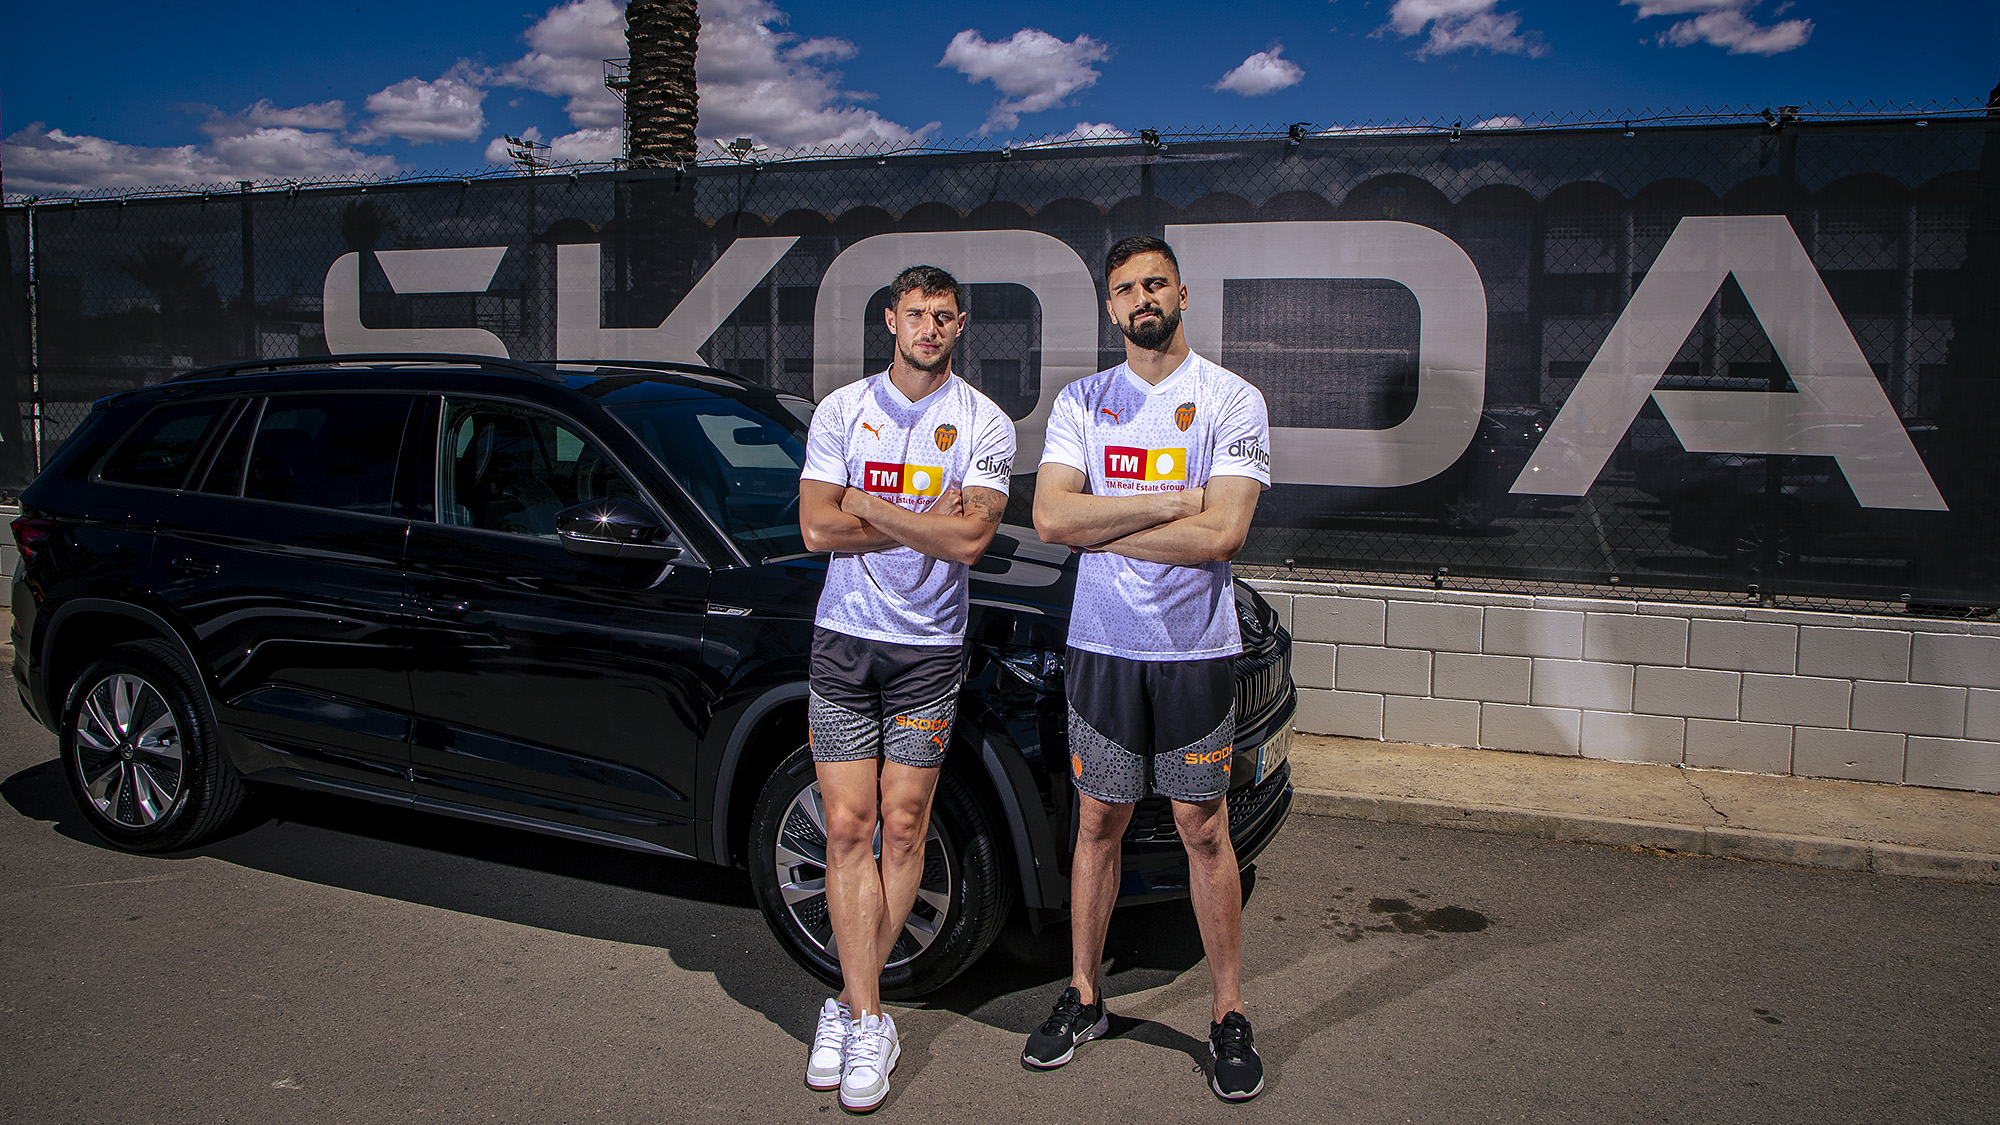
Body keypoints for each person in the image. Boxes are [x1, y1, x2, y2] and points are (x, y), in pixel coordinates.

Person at [1024, 235, 1272, 1101]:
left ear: (1183, 293)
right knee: (1098, 821)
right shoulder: (1083, 401)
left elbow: (1223, 535)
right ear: (1110, 306)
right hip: (1102, 646)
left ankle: (1228, 1012)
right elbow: (1052, 519)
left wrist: (1105, 518)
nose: (1142, 299)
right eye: (1125, 288)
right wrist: (1169, 501)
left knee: (1204, 828)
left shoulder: (1231, 399)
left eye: (1155, 283)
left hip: (1194, 653)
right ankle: (1085, 995)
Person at [795, 264, 1015, 1112]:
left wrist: (869, 502)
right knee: (847, 827)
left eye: (944, 316)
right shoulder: (842, 411)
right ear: (891, 319)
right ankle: (869, 1012)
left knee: (904, 824)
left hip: (927, 651)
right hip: (844, 644)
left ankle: (848, 1007)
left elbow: (969, 545)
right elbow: (817, 527)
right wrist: (928, 514)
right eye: (915, 313)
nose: (929, 327)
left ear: (961, 327)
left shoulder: (983, 422)